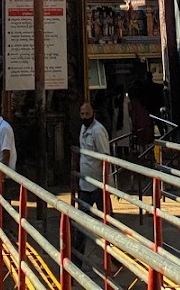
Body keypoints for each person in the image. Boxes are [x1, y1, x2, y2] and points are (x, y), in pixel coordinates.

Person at [73, 102, 111, 264]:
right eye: (82, 114)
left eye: (87, 114)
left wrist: (105, 183)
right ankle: (76, 261)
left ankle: (115, 258)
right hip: (85, 183)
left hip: (98, 184)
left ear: (93, 113)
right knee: (81, 224)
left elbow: (105, 157)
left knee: (108, 222)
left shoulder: (98, 131)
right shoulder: (84, 129)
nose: (84, 117)